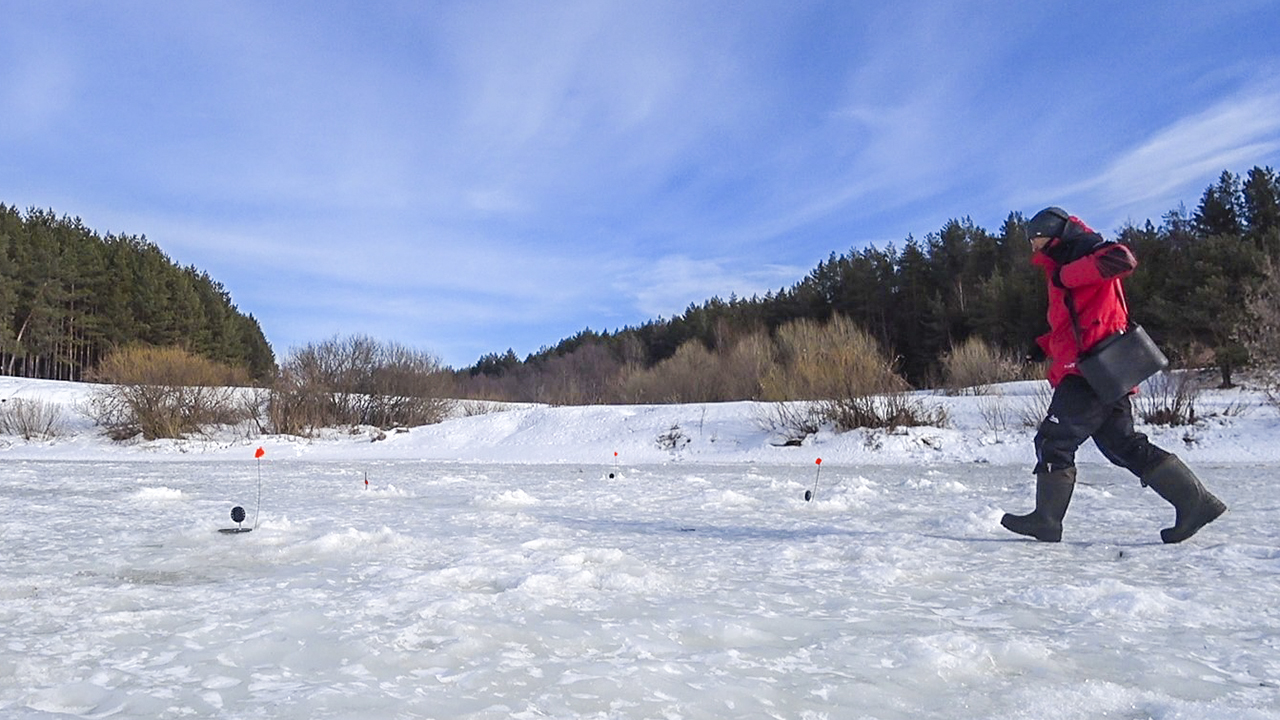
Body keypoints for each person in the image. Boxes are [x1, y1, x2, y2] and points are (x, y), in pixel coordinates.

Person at [1001, 206, 1227, 543]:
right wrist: (1044, 345)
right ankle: (1195, 502)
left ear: (1056, 234)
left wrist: (1067, 276)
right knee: (1123, 445)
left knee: (1055, 439)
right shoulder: (1062, 267)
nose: (1034, 249)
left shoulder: (1090, 253)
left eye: (1037, 241)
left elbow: (1123, 259)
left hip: (1091, 369)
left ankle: (1047, 520)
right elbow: (1078, 322)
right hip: (1100, 367)